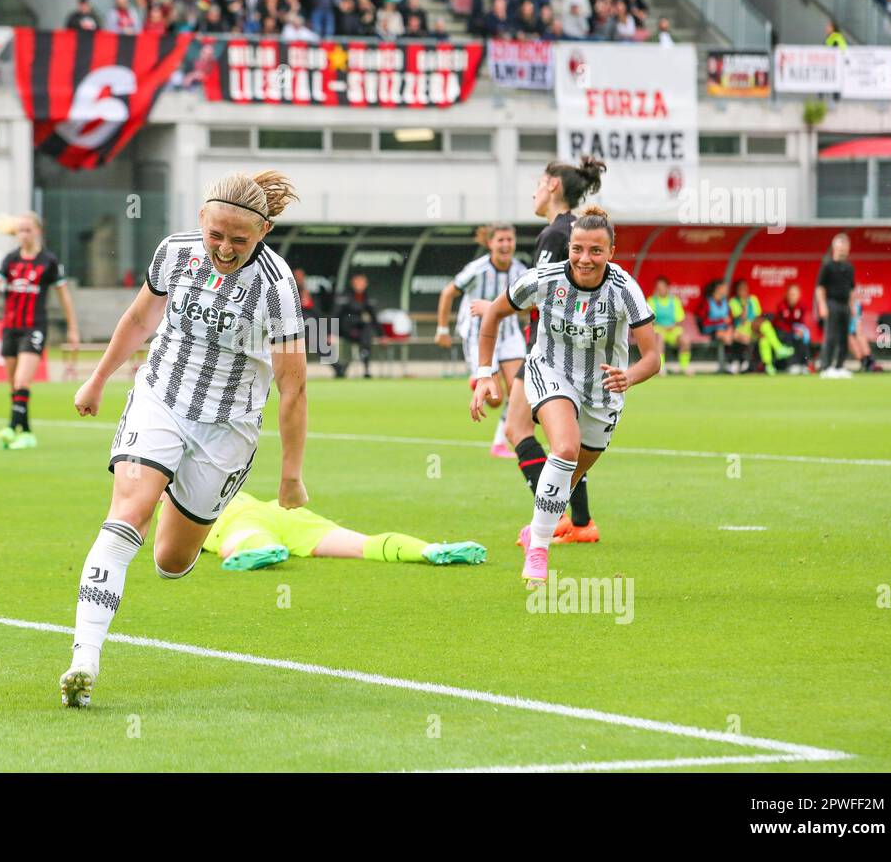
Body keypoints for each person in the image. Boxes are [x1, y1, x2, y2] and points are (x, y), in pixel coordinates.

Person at [62, 170, 308, 708]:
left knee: (171, 559)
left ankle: (171, 486)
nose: (224, 248)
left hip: (229, 427)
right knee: (129, 511)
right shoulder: (174, 252)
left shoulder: (277, 287)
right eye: (216, 234)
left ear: (263, 231)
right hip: (161, 400)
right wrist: (98, 378)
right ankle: (85, 658)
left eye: (239, 240)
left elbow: (293, 385)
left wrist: (291, 475)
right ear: (202, 219)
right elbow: (139, 318)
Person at [471, 206, 659, 586]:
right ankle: (539, 548)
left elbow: (653, 357)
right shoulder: (543, 279)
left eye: (595, 250)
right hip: (550, 371)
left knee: (572, 473)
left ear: (611, 251)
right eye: (577, 249)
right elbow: (492, 314)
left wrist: (630, 375)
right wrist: (484, 373)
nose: (584, 259)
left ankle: (535, 526)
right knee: (565, 448)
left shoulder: (626, 290)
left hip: (602, 391)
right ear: (568, 247)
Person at [503, 157, 606, 545]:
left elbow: (538, 294)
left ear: (552, 187)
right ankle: (580, 522)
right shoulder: (574, 231)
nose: (533, 191)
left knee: (519, 429)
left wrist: (500, 306)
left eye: (538, 183)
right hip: (571, 349)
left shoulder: (555, 234)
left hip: (547, 351)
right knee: (568, 440)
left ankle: (555, 516)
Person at [0, 213, 81, 450]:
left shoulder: (48, 261)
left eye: (27, 230)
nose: (23, 235)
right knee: (13, 386)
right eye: (19, 231)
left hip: (33, 327)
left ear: (37, 231)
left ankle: (9, 428)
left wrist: (73, 328)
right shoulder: (10, 259)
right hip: (10, 328)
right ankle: (26, 432)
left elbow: (64, 296)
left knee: (22, 380)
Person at [198, 490, 486, 570]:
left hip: (231, 519)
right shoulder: (224, 482)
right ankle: (428, 549)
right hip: (284, 511)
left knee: (238, 540)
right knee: (362, 545)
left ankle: (261, 549)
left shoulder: (183, 507)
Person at [436, 224, 528, 458]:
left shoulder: (520, 270)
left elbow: (528, 304)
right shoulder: (476, 270)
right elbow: (448, 292)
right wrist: (442, 329)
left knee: (520, 388)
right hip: (479, 335)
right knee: (495, 399)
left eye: (510, 239)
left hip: (508, 334)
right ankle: (477, 381)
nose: (506, 244)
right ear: (490, 243)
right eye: (500, 240)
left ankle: (499, 444)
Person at [815, 232, 855, 378]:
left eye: (845, 247)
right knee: (830, 336)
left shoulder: (849, 268)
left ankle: (839, 366)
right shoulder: (827, 266)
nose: (843, 250)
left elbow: (851, 289)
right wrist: (822, 305)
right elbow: (820, 287)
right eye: (840, 247)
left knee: (844, 337)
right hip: (831, 303)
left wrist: (852, 306)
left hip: (845, 306)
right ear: (834, 248)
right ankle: (826, 368)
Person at [332, 273, 379, 379]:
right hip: (344, 330)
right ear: (352, 283)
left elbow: (374, 317)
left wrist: (382, 335)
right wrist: (332, 333)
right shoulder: (345, 296)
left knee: (366, 329)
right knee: (365, 333)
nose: (360, 285)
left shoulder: (366, 297)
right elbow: (335, 315)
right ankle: (363, 355)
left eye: (362, 282)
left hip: (359, 330)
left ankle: (365, 361)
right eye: (357, 282)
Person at [647, 276, 692, 376]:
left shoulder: (675, 301)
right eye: (658, 288)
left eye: (662, 287)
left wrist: (671, 326)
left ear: (667, 288)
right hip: (658, 329)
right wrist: (661, 326)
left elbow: (679, 318)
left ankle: (684, 366)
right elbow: (650, 319)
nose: (660, 290)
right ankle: (660, 367)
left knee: (685, 339)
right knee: (659, 338)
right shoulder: (651, 301)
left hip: (673, 329)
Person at [772, 284, 813, 374]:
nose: (792, 297)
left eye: (794, 294)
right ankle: (792, 364)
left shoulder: (801, 306)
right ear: (787, 294)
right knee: (790, 338)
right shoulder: (781, 305)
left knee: (803, 338)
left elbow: (801, 322)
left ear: (799, 295)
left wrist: (800, 331)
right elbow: (780, 324)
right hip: (781, 332)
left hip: (794, 331)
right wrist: (793, 331)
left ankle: (805, 364)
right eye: (791, 294)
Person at [699, 279, 737, 372]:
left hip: (725, 329)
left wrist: (729, 327)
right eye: (724, 288)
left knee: (740, 336)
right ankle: (729, 364)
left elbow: (730, 319)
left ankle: (738, 363)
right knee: (726, 336)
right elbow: (703, 322)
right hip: (710, 330)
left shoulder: (725, 302)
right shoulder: (707, 302)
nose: (727, 290)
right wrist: (720, 321)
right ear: (717, 289)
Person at [729, 279, 763, 372]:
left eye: (745, 289)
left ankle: (759, 365)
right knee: (740, 338)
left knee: (763, 335)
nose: (743, 292)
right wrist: (744, 306)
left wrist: (757, 328)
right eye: (740, 289)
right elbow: (742, 319)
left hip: (753, 328)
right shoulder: (733, 301)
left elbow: (758, 316)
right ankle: (738, 362)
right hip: (739, 328)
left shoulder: (753, 299)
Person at [847, 299, 881, 371]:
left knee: (859, 334)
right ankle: (866, 362)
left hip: (854, 328)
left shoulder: (856, 304)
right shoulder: (839, 304)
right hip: (842, 330)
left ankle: (868, 361)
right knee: (850, 338)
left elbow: (857, 321)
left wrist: (857, 327)